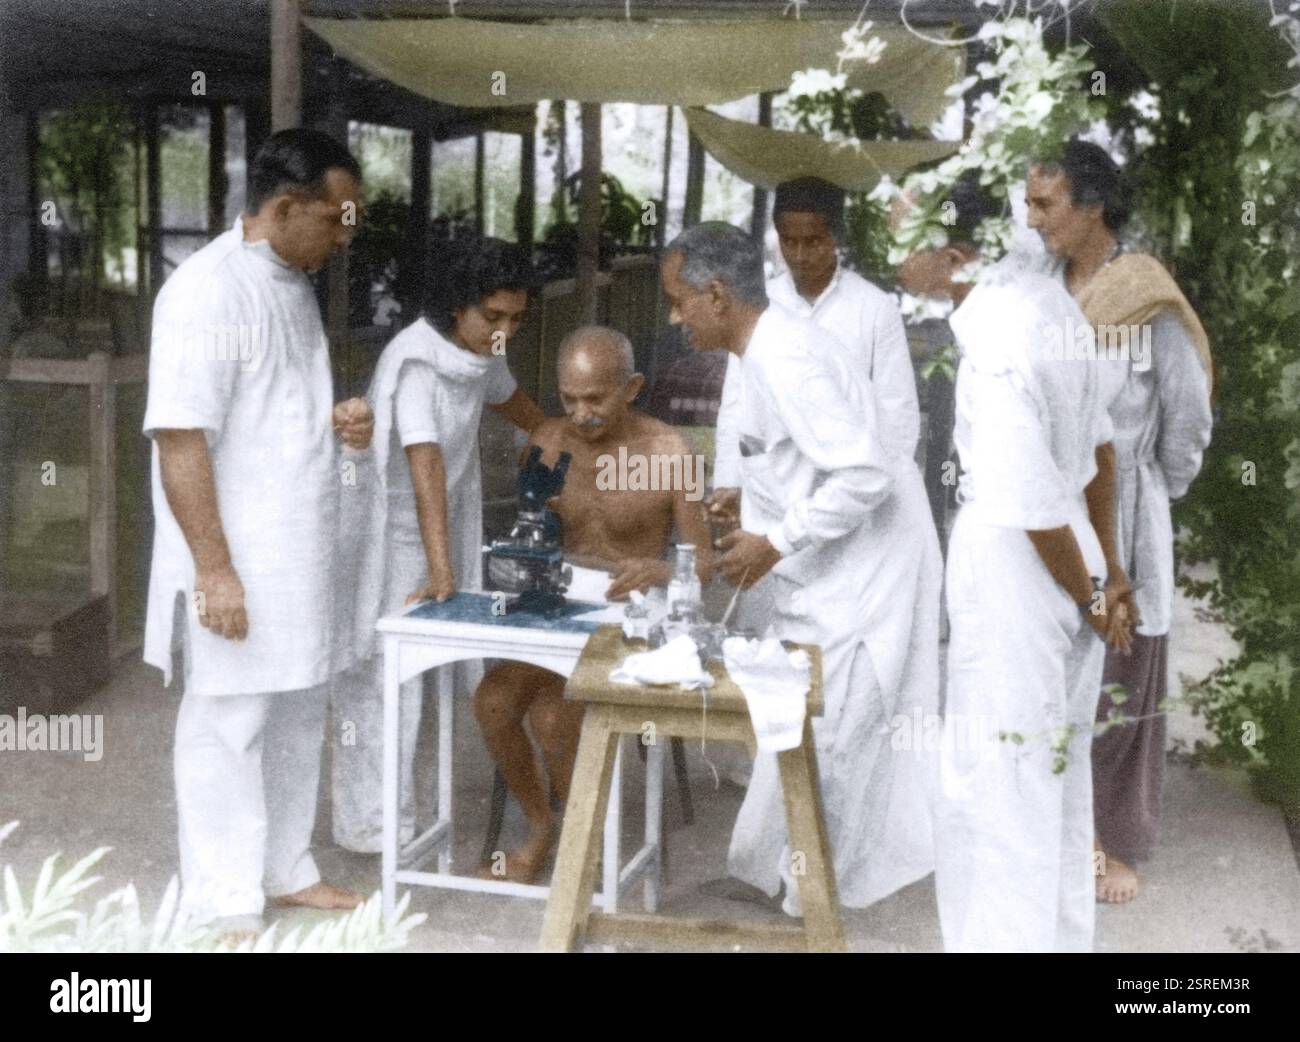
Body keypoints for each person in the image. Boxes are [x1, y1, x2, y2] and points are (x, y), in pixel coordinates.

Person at [661, 221, 942, 915]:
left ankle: (806, 910)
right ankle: (766, 877)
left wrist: (776, 539)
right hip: (834, 562)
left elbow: (866, 472)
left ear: (718, 295)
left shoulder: (787, 356)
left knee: (835, 734)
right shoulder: (760, 347)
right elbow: (792, 454)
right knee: (796, 721)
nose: (674, 316)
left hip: (870, 569)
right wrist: (749, 493)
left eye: (679, 300)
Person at [141, 128, 374, 939]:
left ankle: (283, 870)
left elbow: (273, 407)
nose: (347, 238)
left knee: (299, 706)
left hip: (298, 550)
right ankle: (222, 895)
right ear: (283, 208)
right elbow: (180, 439)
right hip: (236, 554)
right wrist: (215, 570)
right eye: (338, 221)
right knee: (229, 719)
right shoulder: (206, 293)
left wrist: (338, 423)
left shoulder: (293, 278)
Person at [896, 174, 1132, 952]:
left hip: (1024, 563)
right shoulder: (1045, 305)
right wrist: (1106, 572)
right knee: (1051, 782)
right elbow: (1099, 448)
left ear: (955, 255)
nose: (896, 260)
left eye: (906, 242)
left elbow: (1032, 503)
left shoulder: (995, 342)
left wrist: (1094, 594)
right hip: (1069, 552)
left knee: (999, 790)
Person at [1026, 139, 1213, 904]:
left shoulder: (1145, 295)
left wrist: (1149, 499)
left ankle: (1113, 843)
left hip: (1127, 507)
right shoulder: (1035, 292)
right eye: (1030, 203)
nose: (1032, 218)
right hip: (1046, 507)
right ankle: (1052, 833)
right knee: (1050, 668)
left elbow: (1189, 418)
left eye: (1047, 204)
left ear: (1093, 207)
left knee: (1122, 677)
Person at [473, 325, 713, 883]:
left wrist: (658, 568)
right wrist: (519, 560)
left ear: (630, 387)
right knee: (492, 701)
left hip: (629, 623)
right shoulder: (546, 444)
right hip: (557, 612)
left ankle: (587, 845)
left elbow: (704, 564)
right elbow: (530, 533)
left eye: (596, 399)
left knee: (554, 717)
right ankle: (542, 825)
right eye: (570, 399)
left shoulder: (670, 452)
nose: (581, 414)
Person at [331, 237, 546, 854]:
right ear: (457, 307)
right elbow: (423, 465)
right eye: (493, 316)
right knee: (386, 679)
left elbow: (509, 400)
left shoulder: (481, 350)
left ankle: (418, 813)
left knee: (429, 679)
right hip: (390, 529)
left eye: (515, 319)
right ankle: (373, 826)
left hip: (442, 522)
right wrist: (443, 569)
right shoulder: (417, 360)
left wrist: (560, 435)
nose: (504, 332)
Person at [712, 176, 922, 527]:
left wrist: (880, 493)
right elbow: (736, 398)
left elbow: (896, 411)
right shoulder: (757, 303)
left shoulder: (873, 308)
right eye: (788, 241)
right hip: (773, 484)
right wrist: (728, 481)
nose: (798, 255)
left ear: (835, 235)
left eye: (812, 241)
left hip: (848, 491)